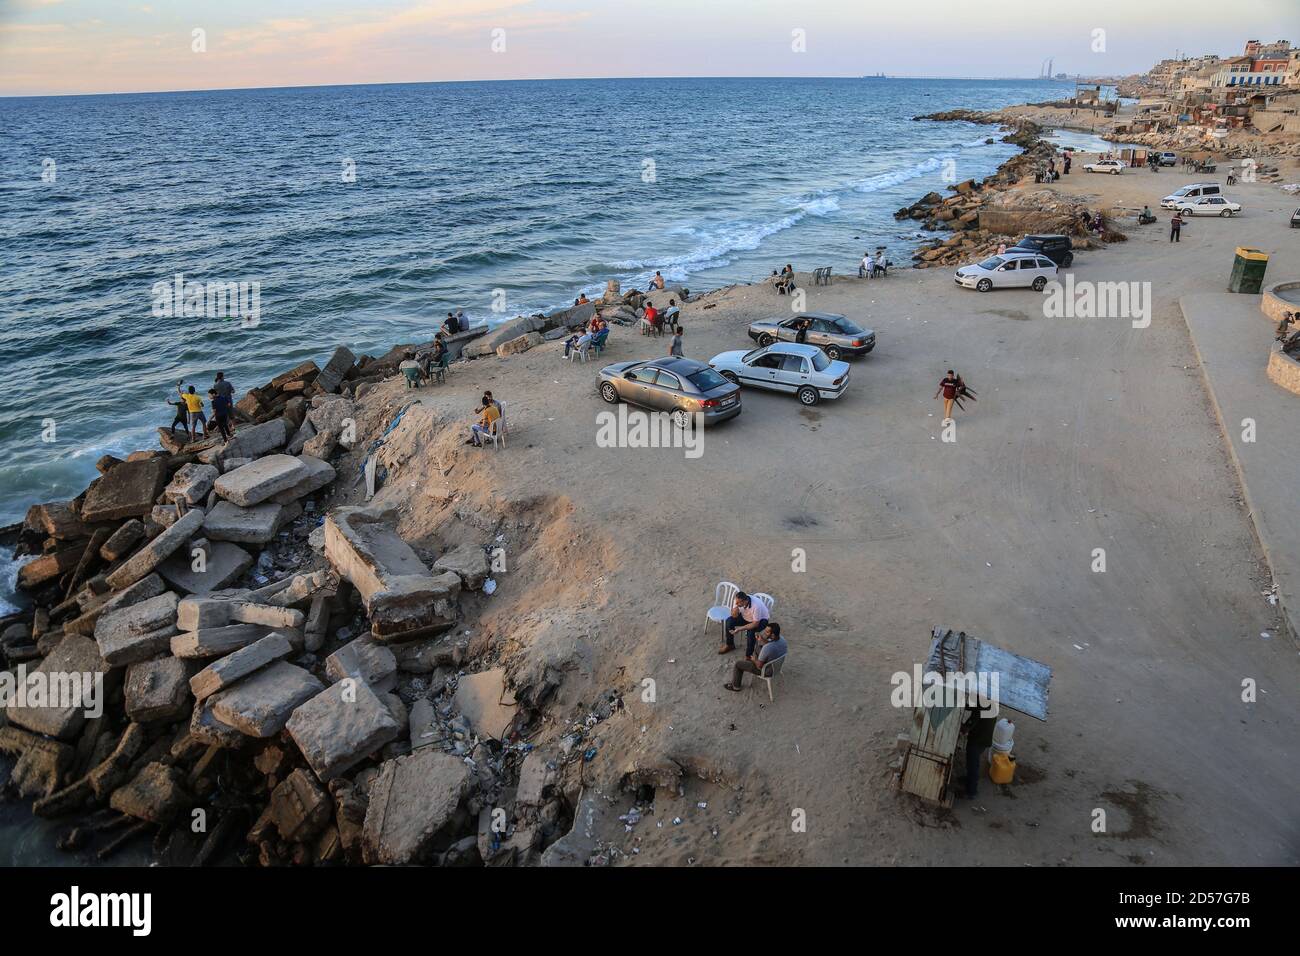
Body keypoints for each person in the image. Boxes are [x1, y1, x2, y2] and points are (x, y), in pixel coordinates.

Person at [723, 622, 788, 692]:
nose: (765, 633)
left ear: (772, 635)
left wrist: (754, 660)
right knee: (758, 646)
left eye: (767, 632)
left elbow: (759, 666)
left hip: (766, 670)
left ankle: (736, 686)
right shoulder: (782, 639)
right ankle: (755, 657)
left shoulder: (767, 648)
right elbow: (771, 645)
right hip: (777, 665)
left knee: (738, 664)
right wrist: (762, 640)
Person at [960, 704, 997, 798]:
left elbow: (968, 727)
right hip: (984, 738)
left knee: (973, 765)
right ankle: (968, 780)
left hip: (978, 740)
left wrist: (960, 726)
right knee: (972, 762)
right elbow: (973, 707)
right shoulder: (989, 699)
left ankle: (971, 792)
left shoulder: (982, 705)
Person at [719, 591, 771, 657]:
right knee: (729, 620)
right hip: (747, 617)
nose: (736, 603)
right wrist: (734, 612)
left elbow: (755, 624)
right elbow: (734, 615)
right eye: (736, 601)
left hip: (761, 620)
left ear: (745, 601)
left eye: (738, 602)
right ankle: (730, 645)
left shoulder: (756, 606)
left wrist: (740, 629)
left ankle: (749, 655)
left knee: (751, 632)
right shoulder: (737, 601)